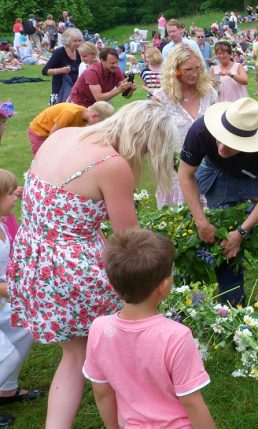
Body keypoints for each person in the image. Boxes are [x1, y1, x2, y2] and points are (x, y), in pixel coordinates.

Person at [8, 101, 175, 429]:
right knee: (121, 347)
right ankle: (140, 417)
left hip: (32, 261)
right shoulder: (112, 165)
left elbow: (56, 202)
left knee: (74, 356)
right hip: (77, 276)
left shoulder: (64, 134)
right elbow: (128, 243)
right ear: (142, 141)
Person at [178, 97, 258, 324]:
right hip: (217, 175)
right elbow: (185, 174)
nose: (222, 148)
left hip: (257, 180)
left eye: (232, 144)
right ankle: (233, 308)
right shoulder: (201, 129)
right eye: (220, 139)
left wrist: (242, 231)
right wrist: (201, 221)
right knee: (222, 241)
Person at [84, 229, 215, 429]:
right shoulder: (176, 336)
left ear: (112, 283)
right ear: (163, 286)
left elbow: (102, 393)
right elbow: (192, 403)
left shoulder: (99, 328)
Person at [0, 170, 45, 428]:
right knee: (6, 357)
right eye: (9, 194)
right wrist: (18, 288)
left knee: (25, 327)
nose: (14, 197)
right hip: (4, 295)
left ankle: (6, 389)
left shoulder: (4, 223)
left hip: (5, 301)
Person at [153, 44, 217, 208]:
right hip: (176, 170)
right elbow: (154, 140)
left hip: (208, 168)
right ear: (175, 70)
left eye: (197, 68)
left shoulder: (208, 93)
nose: (194, 73)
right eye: (188, 69)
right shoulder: (162, 99)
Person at [27, 101, 114, 155]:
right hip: (40, 131)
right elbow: (52, 136)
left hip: (54, 133)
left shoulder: (86, 117)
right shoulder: (71, 113)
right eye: (100, 123)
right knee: (42, 157)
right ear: (94, 116)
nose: (98, 126)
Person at [68, 48, 136, 107]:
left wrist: (130, 90)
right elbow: (99, 97)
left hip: (96, 104)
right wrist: (119, 89)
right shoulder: (92, 72)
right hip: (79, 103)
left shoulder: (116, 70)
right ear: (102, 61)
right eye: (112, 63)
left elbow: (126, 95)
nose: (115, 65)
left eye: (117, 62)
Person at [42, 27, 82, 105]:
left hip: (76, 89)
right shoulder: (59, 53)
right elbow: (45, 71)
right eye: (75, 41)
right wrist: (61, 70)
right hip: (61, 89)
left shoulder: (80, 53)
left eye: (79, 40)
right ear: (68, 41)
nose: (78, 43)